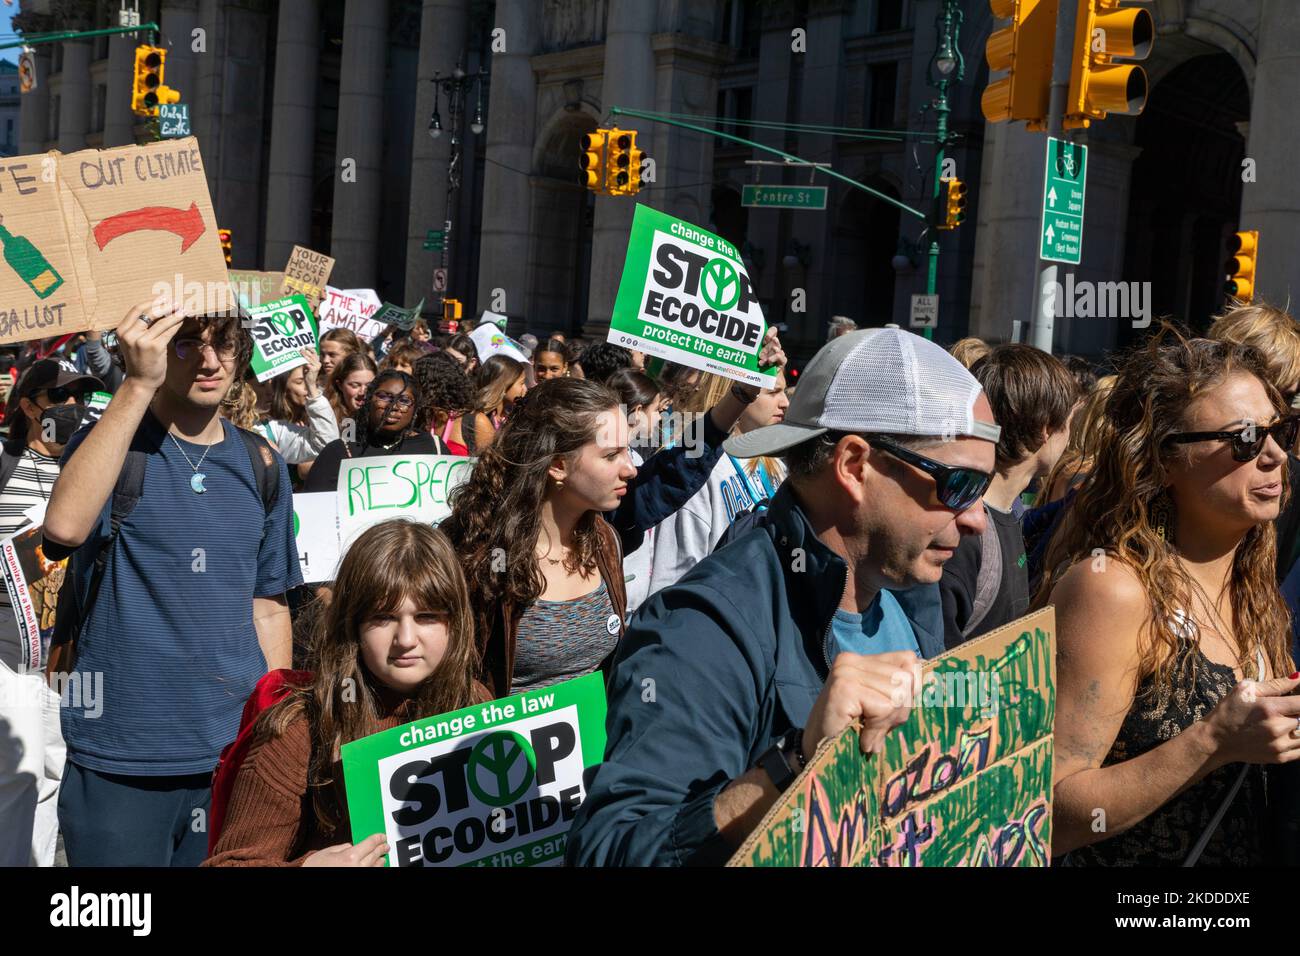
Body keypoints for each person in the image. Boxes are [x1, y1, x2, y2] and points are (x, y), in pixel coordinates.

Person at [567, 328, 999, 865]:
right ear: (854, 465)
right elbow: (611, 849)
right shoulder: (704, 626)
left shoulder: (914, 591)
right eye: (959, 485)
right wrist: (793, 761)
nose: (979, 518)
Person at [42, 303, 301, 867]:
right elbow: (63, 528)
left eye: (224, 344)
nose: (209, 361)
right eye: (186, 344)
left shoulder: (262, 462)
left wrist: (273, 724)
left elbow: (269, 605)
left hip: (227, 753)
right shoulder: (111, 441)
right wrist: (137, 383)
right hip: (121, 754)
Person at [1041, 328, 1298, 866]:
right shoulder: (1112, 588)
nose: (1275, 454)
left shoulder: (1251, 582)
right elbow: (1047, 812)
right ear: (1163, 459)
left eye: (1284, 431)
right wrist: (1210, 741)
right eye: (1246, 438)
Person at [205, 520, 488, 866]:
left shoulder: (474, 704)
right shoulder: (298, 730)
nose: (406, 640)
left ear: (454, 622)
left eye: (427, 616)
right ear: (352, 623)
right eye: (383, 618)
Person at [441, 379, 633, 696]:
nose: (630, 468)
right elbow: (447, 672)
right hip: (503, 743)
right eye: (611, 455)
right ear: (558, 465)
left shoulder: (605, 540)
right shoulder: (474, 551)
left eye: (628, 450)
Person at [0, 359, 102, 867]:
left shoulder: (88, 468)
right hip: (7, 649)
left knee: (57, 771)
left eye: (78, 398)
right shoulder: (3, 461)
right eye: (59, 399)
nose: (71, 408)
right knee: (16, 775)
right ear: (27, 406)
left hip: (68, 654)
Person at [938, 344, 1077, 646]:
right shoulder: (963, 533)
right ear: (1045, 429)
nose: (1070, 438)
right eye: (1068, 424)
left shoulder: (1003, 516)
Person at [646, 369, 790, 595]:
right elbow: (674, 576)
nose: (785, 402)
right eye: (773, 392)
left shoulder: (776, 467)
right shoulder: (692, 467)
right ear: (733, 392)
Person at [304, 369, 445, 493]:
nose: (393, 406)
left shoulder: (434, 447)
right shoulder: (339, 451)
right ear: (368, 400)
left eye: (404, 400)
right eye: (384, 397)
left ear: (415, 409)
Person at [257, 349, 339, 466]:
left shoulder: (273, 429)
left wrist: (312, 387)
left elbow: (327, 444)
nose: (270, 391)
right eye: (261, 385)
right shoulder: (223, 424)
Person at [412, 351, 474, 457]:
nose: (413, 387)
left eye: (417, 381)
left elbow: (490, 468)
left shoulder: (473, 422)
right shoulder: (420, 418)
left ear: (432, 385)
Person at [464, 355, 527, 455]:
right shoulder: (480, 419)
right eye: (522, 383)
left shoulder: (506, 415)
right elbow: (489, 460)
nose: (525, 389)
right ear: (505, 385)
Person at [325, 351, 378, 429]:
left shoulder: (382, 418)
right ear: (340, 385)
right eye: (355, 385)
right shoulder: (326, 416)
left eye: (369, 385)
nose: (362, 392)